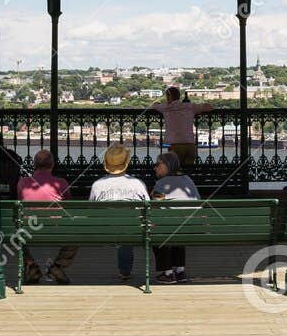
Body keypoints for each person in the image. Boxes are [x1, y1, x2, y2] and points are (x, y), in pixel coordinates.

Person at [88, 142, 149, 283]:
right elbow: (148, 207)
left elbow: (91, 210)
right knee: (127, 229)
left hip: (104, 229)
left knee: (123, 227)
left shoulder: (97, 185)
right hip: (130, 230)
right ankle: (125, 270)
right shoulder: (137, 184)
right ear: (126, 163)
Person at [16, 149, 77, 284]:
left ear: (34, 165)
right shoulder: (61, 183)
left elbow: (21, 203)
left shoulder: (22, 183)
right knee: (77, 234)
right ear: (52, 165)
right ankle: (58, 266)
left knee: (15, 233)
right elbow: (69, 207)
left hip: (30, 230)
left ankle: (31, 266)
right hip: (57, 230)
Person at [150, 150, 199, 284]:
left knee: (157, 230)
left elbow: (155, 208)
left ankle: (168, 273)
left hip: (170, 228)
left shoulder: (161, 184)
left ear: (167, 165)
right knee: (177, 227)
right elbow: (197, 201)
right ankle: (180, 271)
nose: (155, 168)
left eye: (157, 164)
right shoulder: (188, 180)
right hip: (191, 226)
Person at [148, 87, 214, 170]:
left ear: (169, 96)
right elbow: (209, 107)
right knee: (188, 171)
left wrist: (158, 103)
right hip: (190, 145)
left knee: (174, 170)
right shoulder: (190, 106)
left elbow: (154, 105)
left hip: (176, 145)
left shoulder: (166, 107)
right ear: (179, 96)